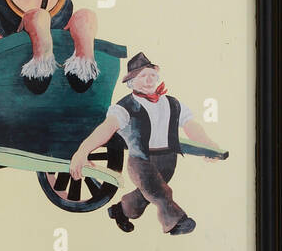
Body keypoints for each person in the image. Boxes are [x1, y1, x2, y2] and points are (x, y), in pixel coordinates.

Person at [70, 51, 227, 236]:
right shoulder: (124, 107)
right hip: (141, 162)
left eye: (152, 75)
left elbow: (191, 126)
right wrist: (82, 151)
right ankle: (176, 222)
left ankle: (121, 210)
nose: (149, 79)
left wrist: (208, 145)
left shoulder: (173, 103)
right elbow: (106, 129)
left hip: (167, 162)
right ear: (131, 82)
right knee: (162, 194)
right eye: (143, 75)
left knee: (143, 198)